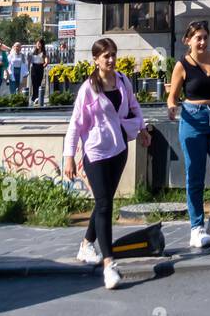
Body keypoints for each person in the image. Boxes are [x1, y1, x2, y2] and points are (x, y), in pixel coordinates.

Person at [64, 37, 151, 289]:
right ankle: (109, 263)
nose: (111, 59)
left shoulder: (123, 80)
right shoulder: (88, 89)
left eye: (113, 54)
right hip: (96, 152)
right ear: (96, 60)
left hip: (119, 148)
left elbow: (134, 107)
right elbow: (75, 125)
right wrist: (68, 156)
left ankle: (86, 244)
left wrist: (142, 129)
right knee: (104, 204)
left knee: (106, 201)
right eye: (106, 56)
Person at [166, 20, 210, 249]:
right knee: (195, 174)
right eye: (198, 38)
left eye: (205, 37)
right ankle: (196, 227)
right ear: (188, 40)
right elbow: (172, 95)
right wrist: (171, 107)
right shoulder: (182, 65)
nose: (203, 41)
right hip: (192, 120)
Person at [29, 38, 48, 105]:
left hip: (40, 67)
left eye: (40, 43)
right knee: (34, 83)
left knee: (39, 83)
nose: (38, 45)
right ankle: (34, 97)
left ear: (42, 44)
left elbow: (46, 60)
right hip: (34, 67)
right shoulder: (33, 51)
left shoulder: (43, 52)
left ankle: (37, 97)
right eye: (37, 43)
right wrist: (28, 66)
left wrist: (45, 64)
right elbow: (29, 59)